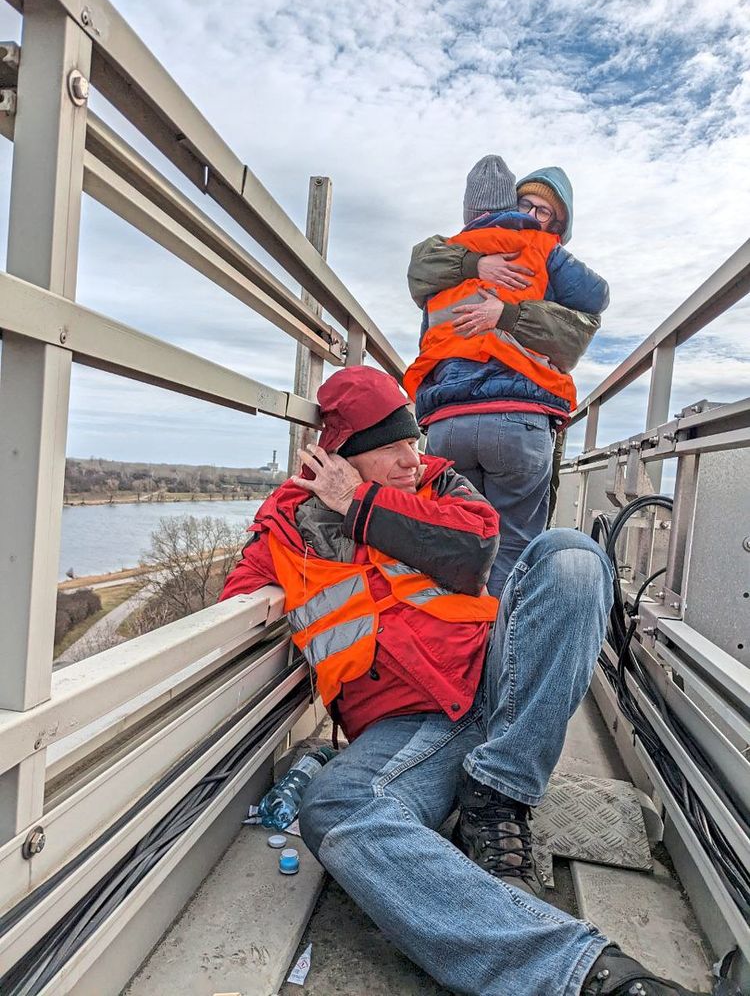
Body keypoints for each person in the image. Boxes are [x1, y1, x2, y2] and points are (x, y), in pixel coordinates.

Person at [221, 365, 708, 996]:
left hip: (500, 682)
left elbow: (477, 548)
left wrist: (361, 504)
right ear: (340, 456)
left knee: (573, 558)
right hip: (411, 730)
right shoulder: (288, 529)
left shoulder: (437, 482)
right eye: (390, 447)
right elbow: (232, 613)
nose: (411, 456)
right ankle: (590, 978)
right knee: (337, 808)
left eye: (412, 440)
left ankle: (497, 799)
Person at [405, 156, 609, 593]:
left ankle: (461, 648)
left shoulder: (445, 251)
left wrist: (502, 304)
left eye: (544, 212)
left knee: (456, 544)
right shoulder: (544, 252)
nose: (531, 216)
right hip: (517, 418)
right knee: (516, 551)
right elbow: (598, 297)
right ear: (510, 203)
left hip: (447, 420)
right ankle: (507, 651)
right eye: (526, 205)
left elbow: (419, 275)